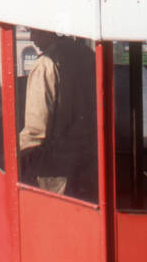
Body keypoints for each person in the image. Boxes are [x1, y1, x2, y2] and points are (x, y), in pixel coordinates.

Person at [18, 30, 97, 198]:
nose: (32, 38)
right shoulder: (87, 54)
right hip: (89, 160)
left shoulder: (46, 65)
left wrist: (11, 154)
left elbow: (36, 131)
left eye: (34, 31)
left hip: (56, 168)